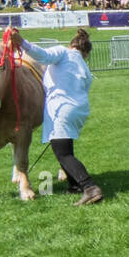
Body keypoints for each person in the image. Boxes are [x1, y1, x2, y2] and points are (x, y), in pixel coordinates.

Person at [7, 28, 102, 204]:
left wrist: (22, 42)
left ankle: (89, 187)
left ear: (71, 45)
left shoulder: (63, 52)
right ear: (86, 53)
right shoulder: (84, 66)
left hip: (62, 107)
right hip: (79, 110)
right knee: (66, 146)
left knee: (63, 153)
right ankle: (74, 185)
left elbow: (41, 55)